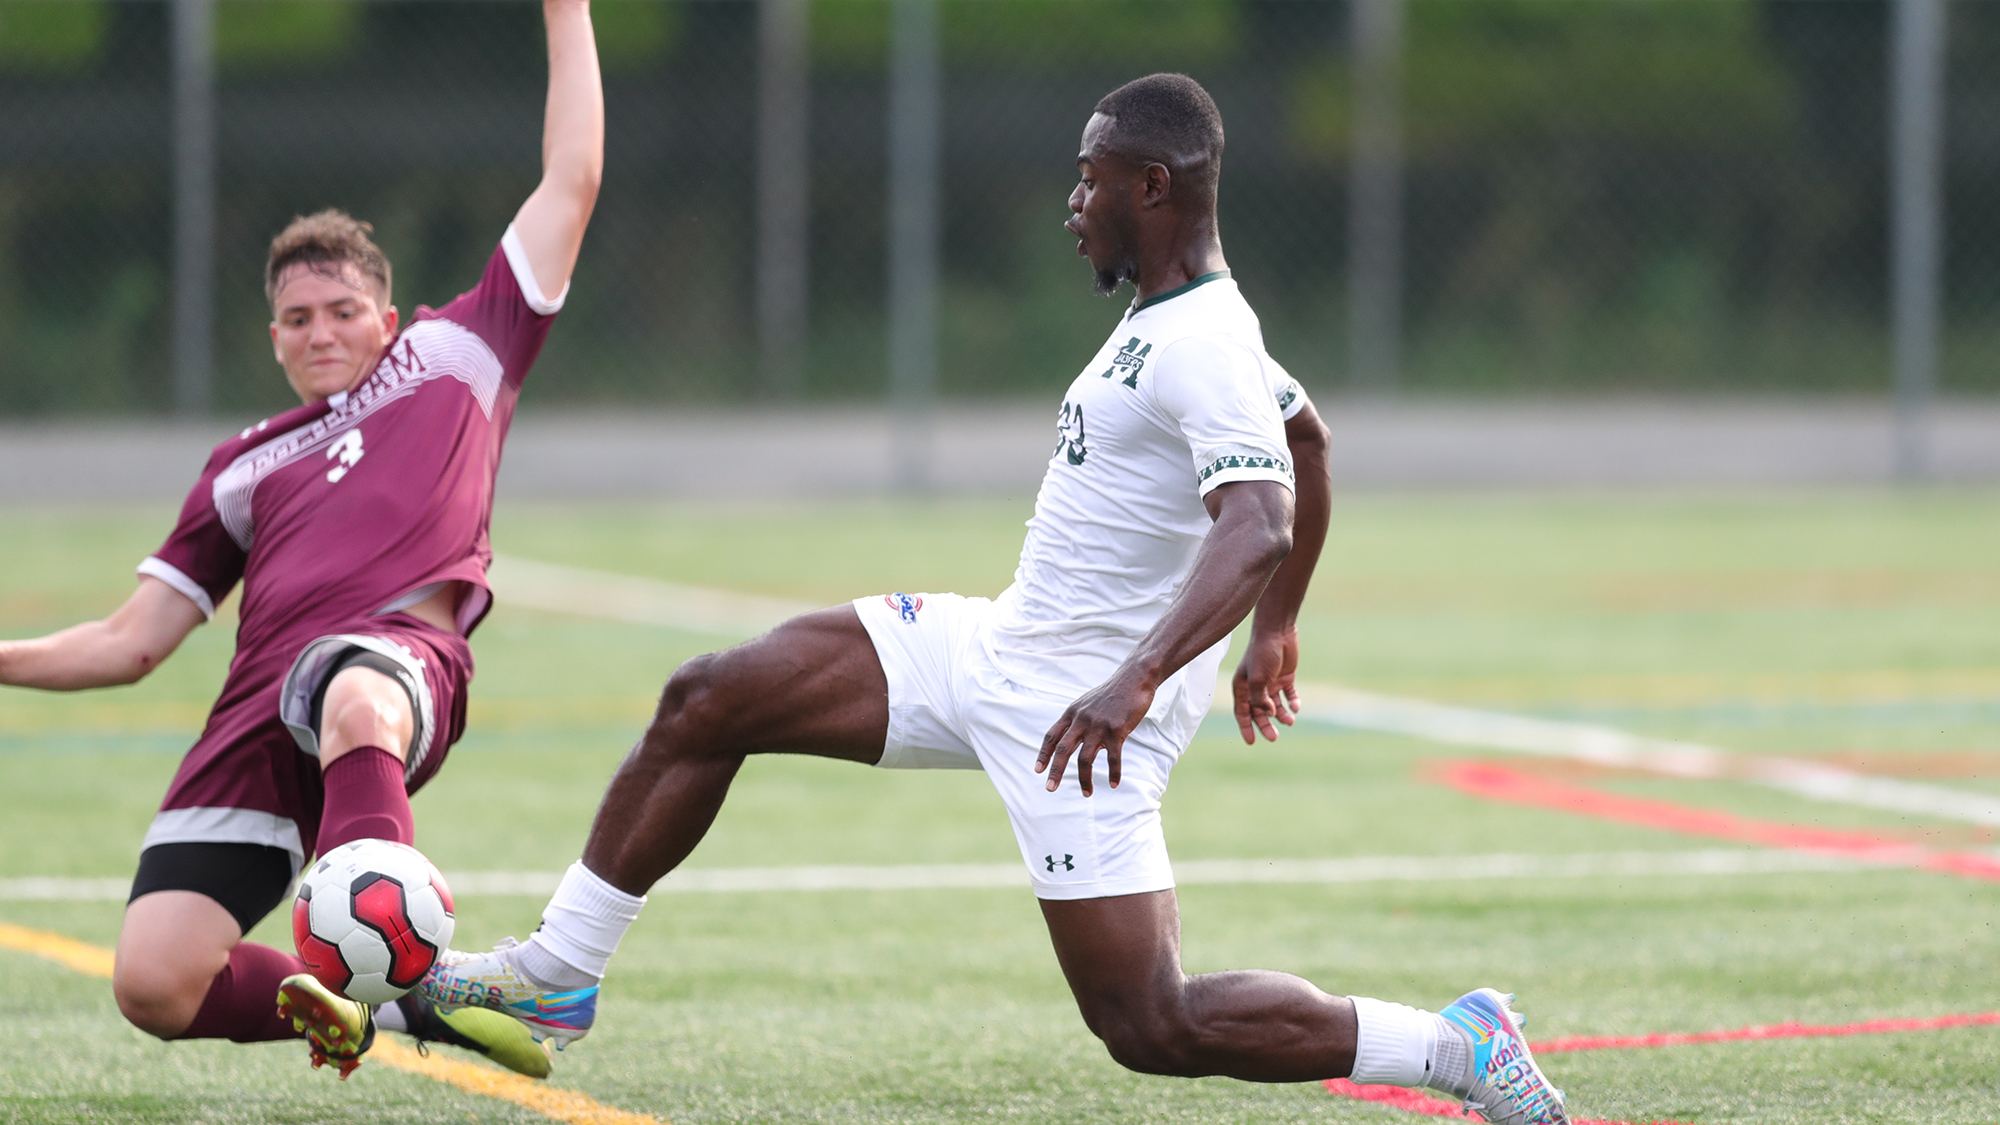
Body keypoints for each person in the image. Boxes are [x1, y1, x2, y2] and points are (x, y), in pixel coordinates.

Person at [423, 73, 1569, 1125]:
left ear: (1151, 187)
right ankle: (556, 975)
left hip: (1082, 722)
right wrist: (1274, 629)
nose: (1073, 200)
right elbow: (1307, 441)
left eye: (1090, 178)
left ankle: (1455, 1048)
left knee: (1148, 1025)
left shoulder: (1207, 340)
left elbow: (1260, 517)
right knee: (711, 696)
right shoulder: (1173, 325)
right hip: (994, 650)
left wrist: (1139, 677)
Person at [0, 0, 603, 1082]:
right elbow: (131, 643)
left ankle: (390, 936)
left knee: (349, 688)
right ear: (271, 338)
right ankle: (398, 1008)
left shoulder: (460, 354)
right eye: (296, 319)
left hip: (389, 665)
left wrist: (567, 10)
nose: (321, 331)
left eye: (341, 309)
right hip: (255, 710)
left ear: (384, 314)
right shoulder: (242, 465)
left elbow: (571, 177)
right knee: (154, 983)